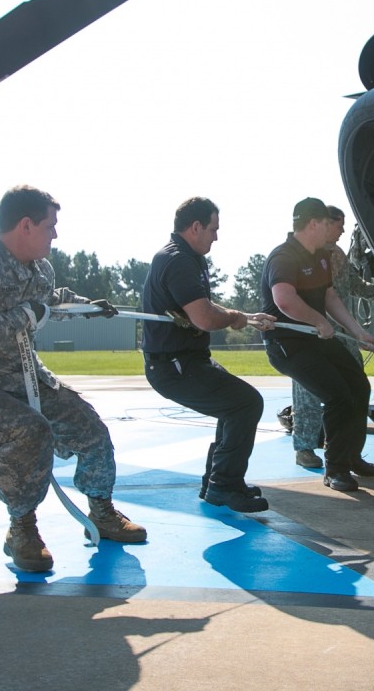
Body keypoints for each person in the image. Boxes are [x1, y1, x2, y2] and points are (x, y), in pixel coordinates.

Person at [0, 185, 147, 575]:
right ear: (25, 225)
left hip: (21, 375)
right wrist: (28, 315)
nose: (56, 235)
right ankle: (22, 529)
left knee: (90, 428)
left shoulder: (38, 269)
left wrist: (86, 307)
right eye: (51, 226)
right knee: (29, 433)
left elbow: (49, 299)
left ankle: (102, 513)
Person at [141, 197, 278, 514]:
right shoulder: (178, 261)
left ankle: (216, 482)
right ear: (195, 227)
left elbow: (205, 310)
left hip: (187, 360)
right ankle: (223, 484)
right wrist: (235, 317)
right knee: (245, 403)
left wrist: (246, 316)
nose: (216, 236)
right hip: (173, 364)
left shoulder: (188, 258)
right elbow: (204, 317)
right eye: (214, 229)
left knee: (235, 404)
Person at [260, 198, 374, 492]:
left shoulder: (321, 256)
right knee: (338, 395)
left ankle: (351, 457)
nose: (332, 228)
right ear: (314, 223)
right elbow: (284, 300)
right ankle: (335, 469)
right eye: (328, 223)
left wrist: (357, 331)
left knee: (359, 386)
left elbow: (330, 298)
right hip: (288, 344)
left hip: (316, 338)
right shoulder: (284, 256)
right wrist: (318, 321)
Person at [288, 204, 374, 468]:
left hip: (343, 333)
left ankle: (349, 451)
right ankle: (305, 448)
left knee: (356, 389)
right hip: (314, 333)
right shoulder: (301, 255)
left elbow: (354, 285)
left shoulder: (338, 255)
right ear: (324, 224)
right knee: (307, 392)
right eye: (339, 225)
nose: (343, 231)